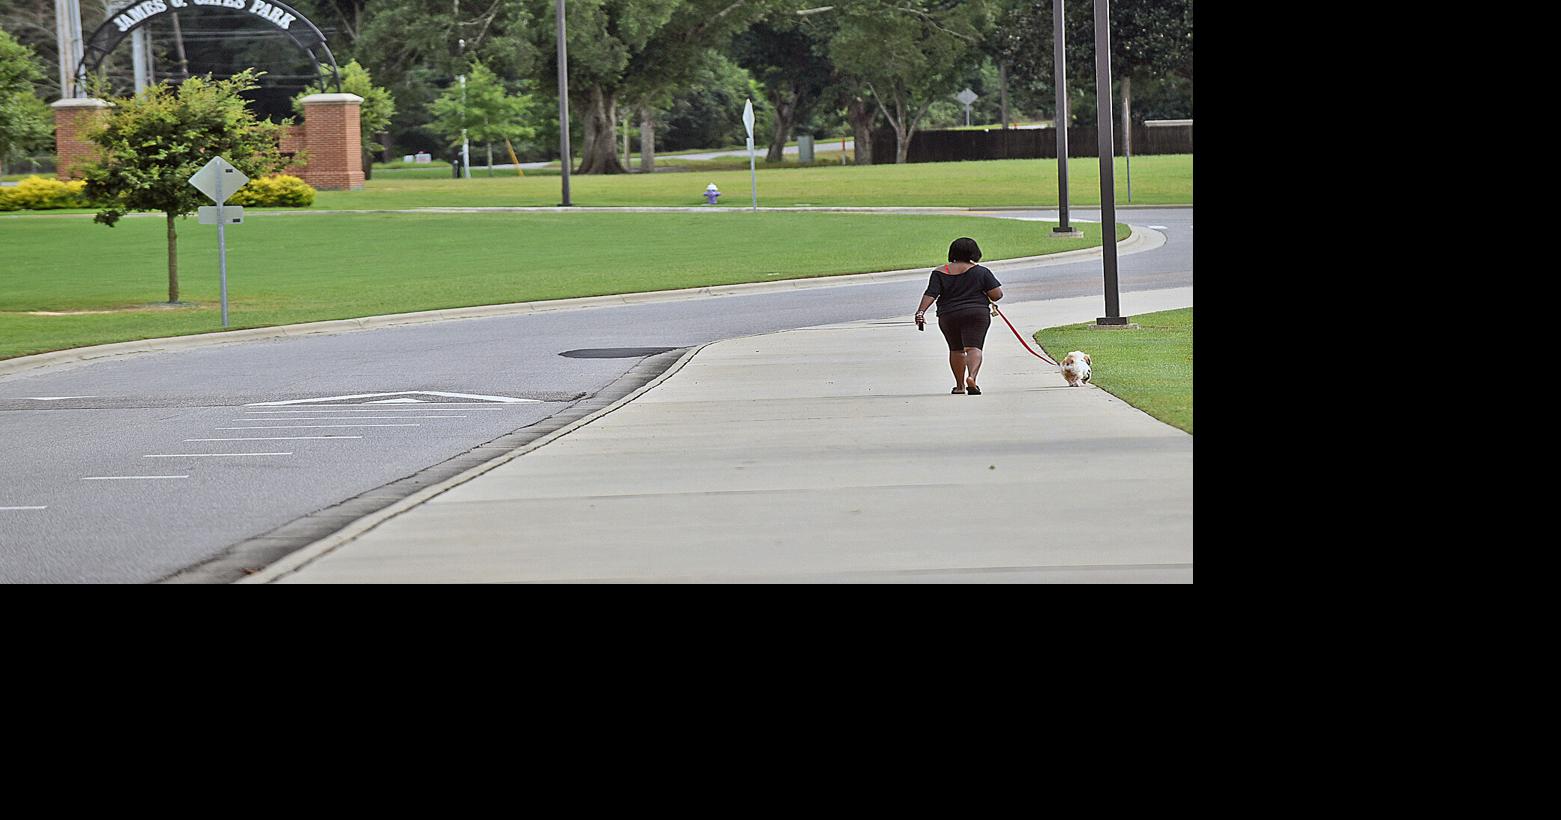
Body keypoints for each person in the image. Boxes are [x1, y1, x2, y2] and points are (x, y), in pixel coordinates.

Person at [915, 237, 1003, 395]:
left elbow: (931, 293)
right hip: (976, 313)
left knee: (956, 350)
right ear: (975, 252)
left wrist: (921, 311)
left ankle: (960, 386)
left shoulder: (940, 272)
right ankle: (972, 377)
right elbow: (997, 295)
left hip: (949, 315)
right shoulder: (981, 271)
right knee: (973, 348)